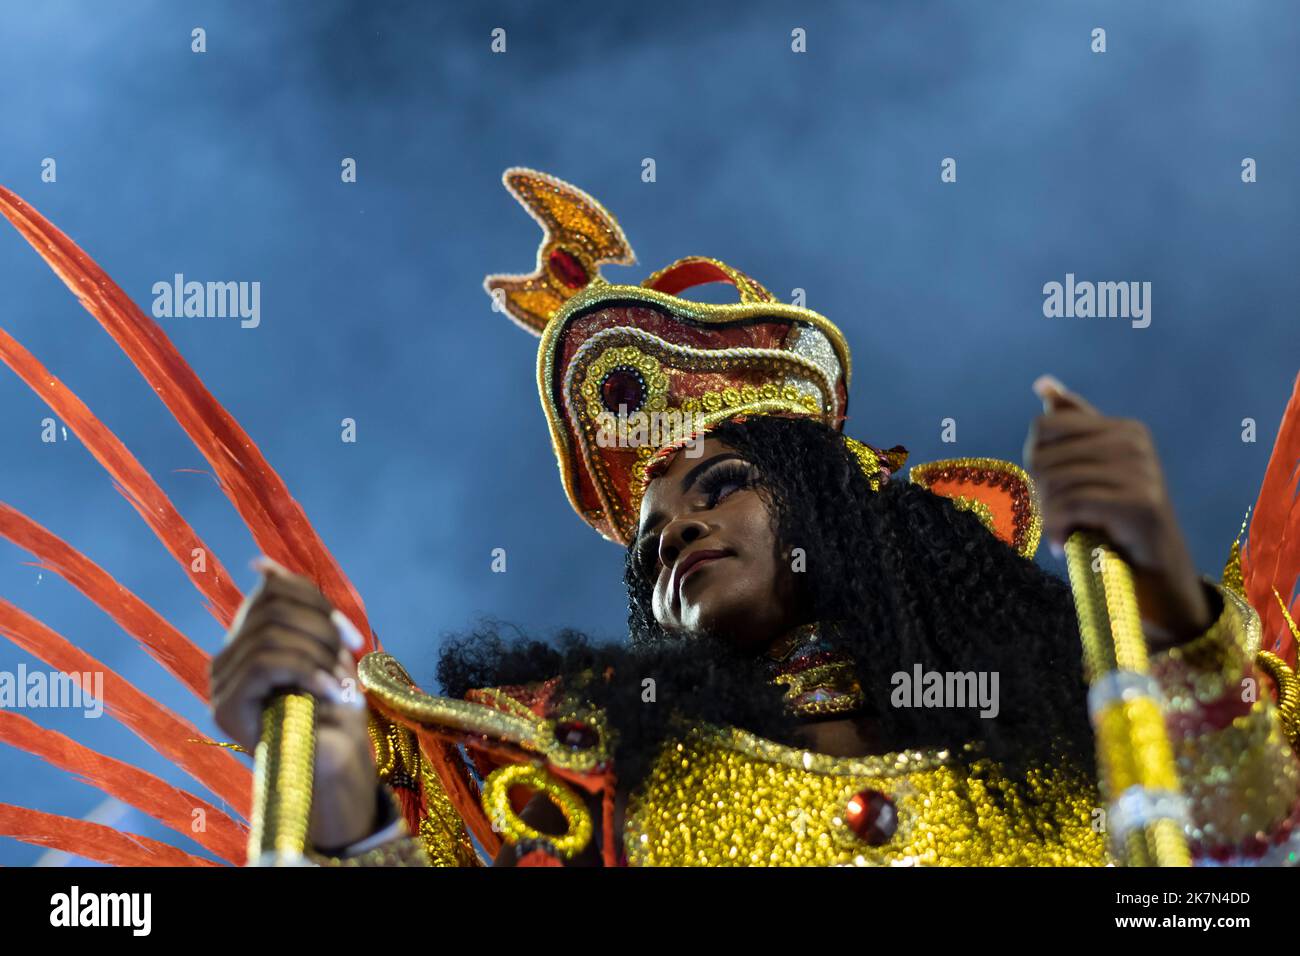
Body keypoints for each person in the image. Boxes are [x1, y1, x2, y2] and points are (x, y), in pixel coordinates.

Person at [210, 169, 1300, 866]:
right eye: (649, 534)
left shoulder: (1082, 750)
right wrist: (339, 801)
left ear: (830, 502)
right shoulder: (584, 785)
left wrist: (1160, 584)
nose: (674, 526)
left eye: (717, 482)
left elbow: (1252, 846)